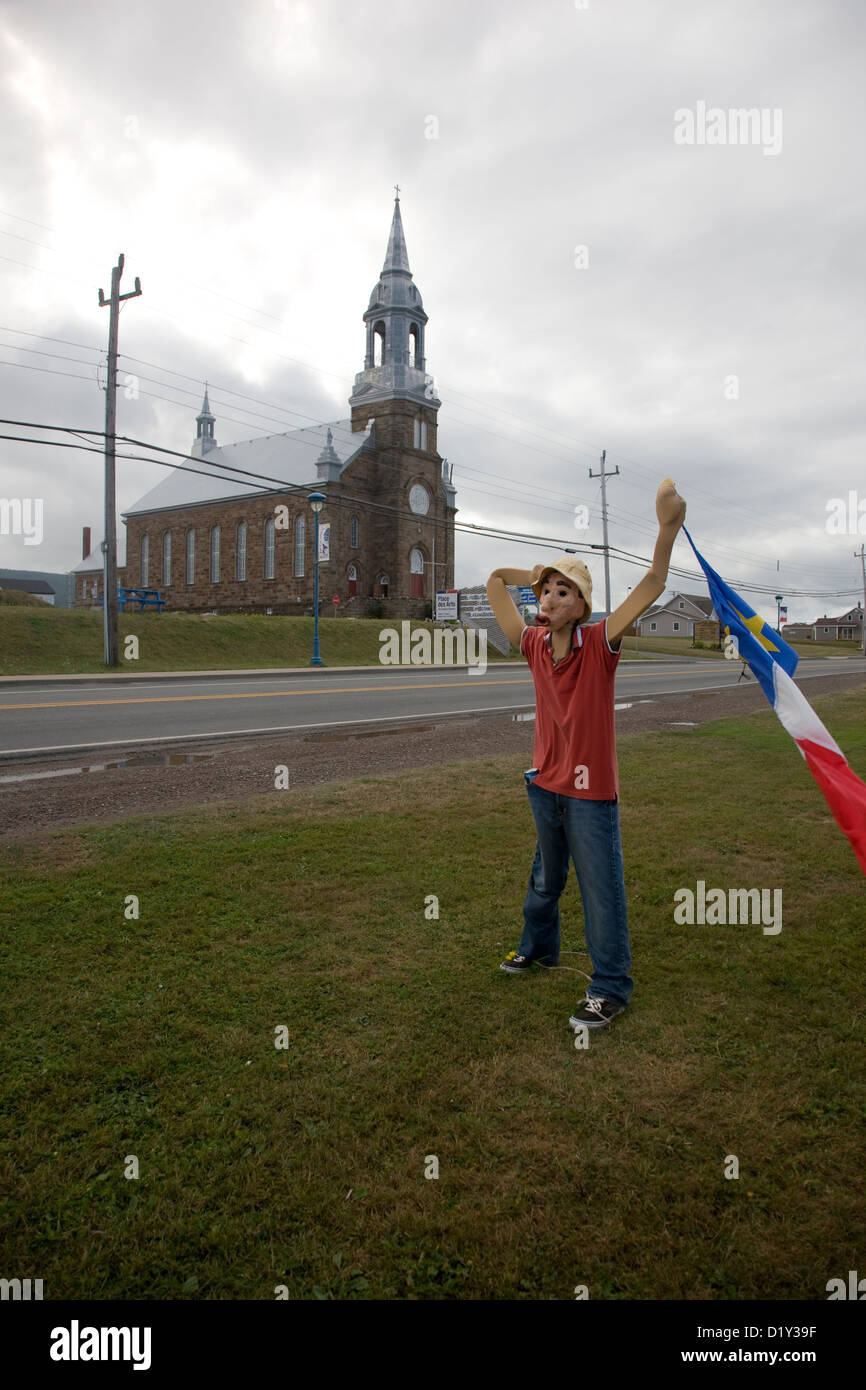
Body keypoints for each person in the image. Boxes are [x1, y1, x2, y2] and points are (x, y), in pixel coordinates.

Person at [485, 477, 687, 1031]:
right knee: (546, 879)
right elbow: (495, 589)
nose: (550, 598)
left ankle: (610, 987)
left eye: (563, 592)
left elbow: (650, 585)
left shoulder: (601, 644)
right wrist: (515, 575)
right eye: (546, 590)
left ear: (582, 607)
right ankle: (539, 948)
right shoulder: (530, 644)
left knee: (600, 889)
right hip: (545, 785)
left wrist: (667, 530)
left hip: (590, 793)